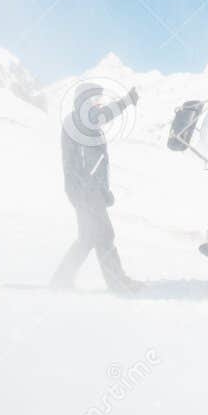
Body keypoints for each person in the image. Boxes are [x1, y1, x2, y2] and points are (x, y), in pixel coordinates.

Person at [51, 82, 141, 294]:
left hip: (85, 190)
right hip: (85, 191)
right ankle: (117, 282)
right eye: (94, 99)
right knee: (104, 235)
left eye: (99, 99)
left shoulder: (83, 122)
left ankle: (61, 280)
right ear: (83, 100)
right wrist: (126, 101)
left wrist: (102, 190)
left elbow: (96, 162)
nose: (98, 103)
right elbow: (102, 116)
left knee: (88, 238)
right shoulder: (82, 119)